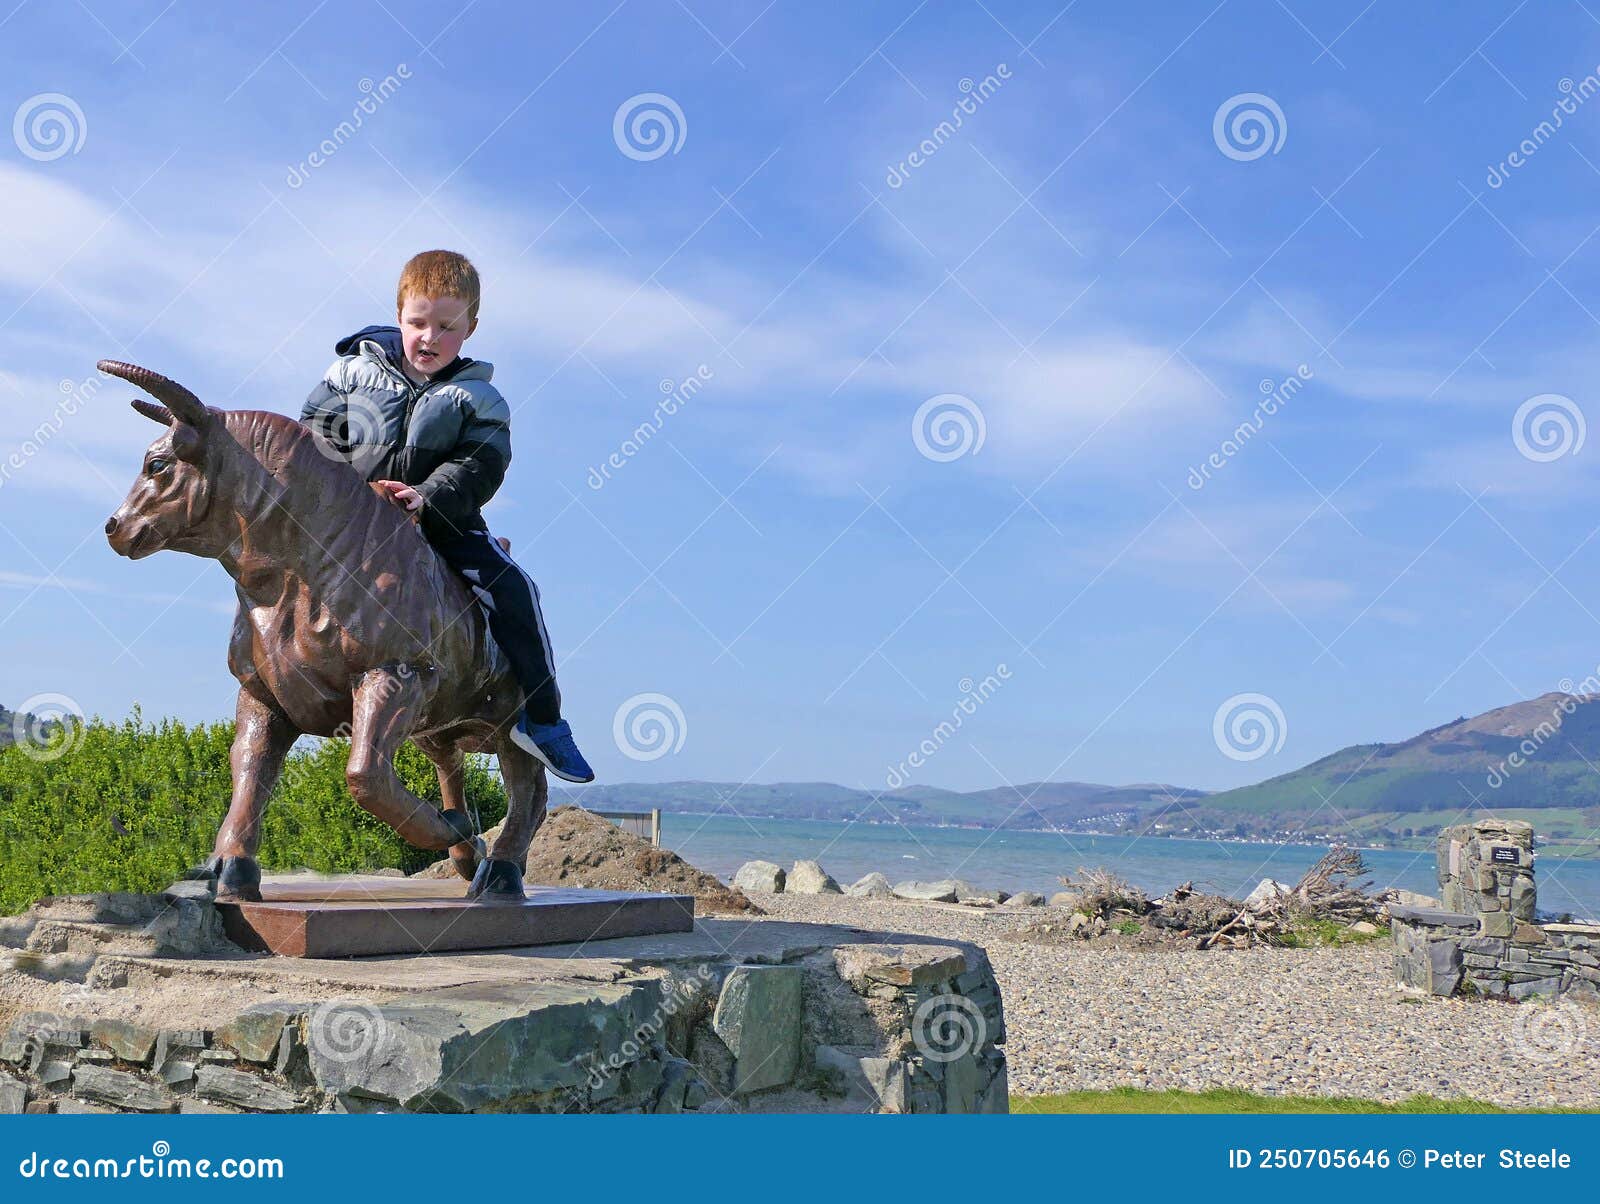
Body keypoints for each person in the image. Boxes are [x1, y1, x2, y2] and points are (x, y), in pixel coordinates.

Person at [300, 249, 594, 783]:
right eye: (418, 322)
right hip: (351, 528)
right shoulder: (349, 374)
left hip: (444, 525)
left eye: (446, 326)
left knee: (516, 589)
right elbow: (316, 440)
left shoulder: (481, 398)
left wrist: (425, 497)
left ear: (471, 328)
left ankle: (544, 720)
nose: (429, 338)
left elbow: (480, 465)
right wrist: (361, 487)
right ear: (398, 315)